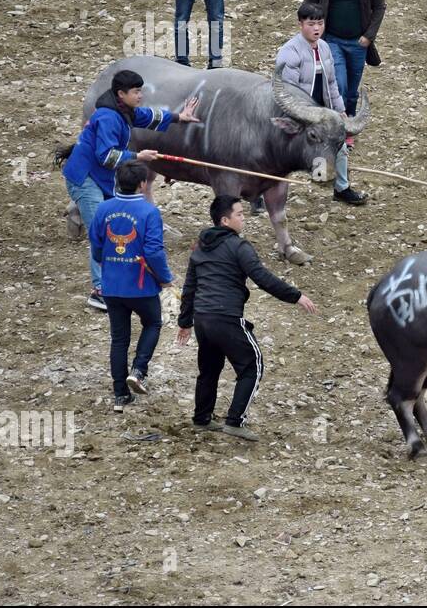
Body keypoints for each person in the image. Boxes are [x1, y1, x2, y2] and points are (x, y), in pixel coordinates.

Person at [175, 195, 317, 440]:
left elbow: (189, 288)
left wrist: (185, 322)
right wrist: (295, 296)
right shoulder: (239, 246)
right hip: (227, 318)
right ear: (224, 220)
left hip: (203, 319)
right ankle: (235, 421)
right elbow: (261, 277)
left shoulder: (200, 247)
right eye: (239, 214)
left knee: (209, 369)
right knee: (253, 364)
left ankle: (202, 419)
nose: (244, 219)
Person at [62, 68, 201, 310]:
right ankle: (99, 290)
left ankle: (114, 277)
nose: (140, 96)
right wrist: (138, 155)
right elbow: (106, 155)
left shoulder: (124, 110)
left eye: (140, 90)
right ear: (121, 94)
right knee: (100, 230)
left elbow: (148, 116)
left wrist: (179, 117)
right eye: (136, 91)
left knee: (111, 226)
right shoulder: (108, 117)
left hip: (100, 178)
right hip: (85, 178)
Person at [89, 161, 174, 412]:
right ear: (142, 183)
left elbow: (96, 246)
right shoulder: (149, 212)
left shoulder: (104, 208)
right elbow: (154, 251)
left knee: (119, 339)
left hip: (112, 285)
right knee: (153, 323)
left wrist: (105, 263)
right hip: (141, 286)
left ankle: (120, 395)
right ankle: (138, 370)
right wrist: (165, 277)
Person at [275, 2, 367, 206]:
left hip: (322, 111)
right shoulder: (290, 52)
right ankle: (263, 193)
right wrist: (306, 116)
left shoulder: (324, 47)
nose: (316, 28)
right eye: (311, 24)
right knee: (278, 155)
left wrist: (340, 111)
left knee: (339, 145)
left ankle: (341, 188)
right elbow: (289, 92)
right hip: (300, 113)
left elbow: (331, 83)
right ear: (300, 24)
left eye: (320, 23)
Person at [301, 0, 386, 143]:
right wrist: (315, 33)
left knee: (351, 90)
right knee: (338, 84)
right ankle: (337, 126)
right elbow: (308, 5)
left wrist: (368, 36)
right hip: (332, 41)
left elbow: (379, 7)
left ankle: (348, 129)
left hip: (359, 43)